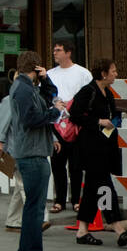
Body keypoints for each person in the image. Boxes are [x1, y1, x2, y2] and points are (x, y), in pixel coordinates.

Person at [69, 59, 127, 247]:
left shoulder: (107, 93)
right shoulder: (88, 91)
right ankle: (118, 228)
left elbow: (113, 115)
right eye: (113, 71)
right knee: (105, 187)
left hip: (104, 148)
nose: (116, 74)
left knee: (92, 190)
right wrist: (98, 121)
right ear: (103, 74)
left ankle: (82, 231)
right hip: (91, 148)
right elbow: (75, 114)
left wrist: (110, 122)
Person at [6, 51, 62, 251]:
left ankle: (28, 250)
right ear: (35, 68)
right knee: (35, 207)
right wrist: (54, 113)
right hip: (32, 153)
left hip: (33, 151)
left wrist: (46, 79)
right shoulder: (23, 90)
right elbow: (31, 118)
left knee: (34, 205)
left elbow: (48, 96)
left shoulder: (26, 88)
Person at [0, 69, 51, 234]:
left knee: (20, 185)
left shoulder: (34, 97)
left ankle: (13, 220)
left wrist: (52, 139)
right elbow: (3, 122)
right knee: (25, 183)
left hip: (26, 146)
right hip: (16, 147)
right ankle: (42, 218)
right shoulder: (10, 99)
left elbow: (43, 118)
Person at [47, 40, 92, 214]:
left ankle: (76, 200)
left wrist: (73, 106)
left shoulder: (82, 73)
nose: (55, 53)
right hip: (56, 124)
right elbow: (47, 95)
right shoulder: (50, 74)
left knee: (76, 165)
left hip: (75, 124)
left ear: (68, 52)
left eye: (58, 50)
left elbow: (88, 96)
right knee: (57, 164)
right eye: (54, 50)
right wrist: (56, 103)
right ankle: (59, 200)